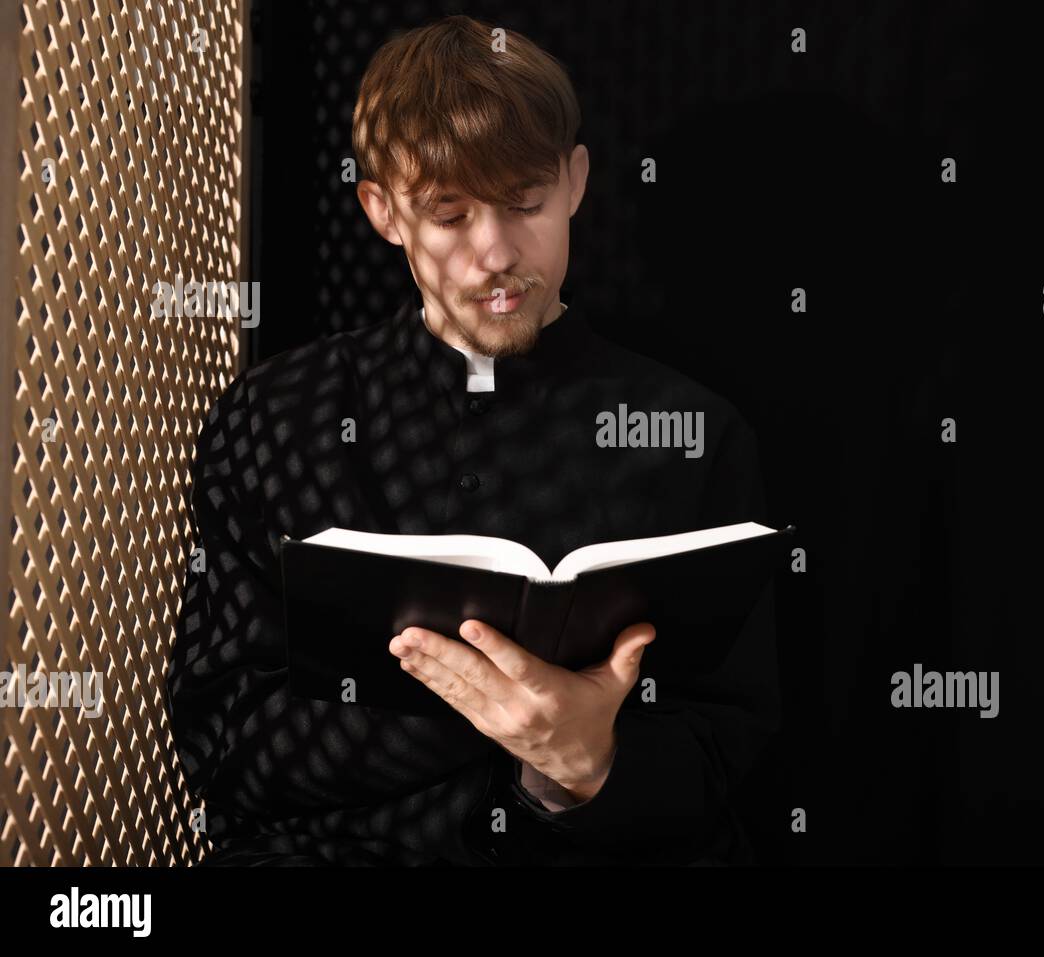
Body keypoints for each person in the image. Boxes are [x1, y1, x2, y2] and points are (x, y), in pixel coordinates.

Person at [165, 14, 780, 866]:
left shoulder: (694, 434)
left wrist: (583, 764)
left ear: (574, 183)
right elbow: (224, 738)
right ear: (382, 211)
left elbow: (728, 748)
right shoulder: (277, 416)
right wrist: (500, 719)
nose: (494, 253)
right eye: (447, 214)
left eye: (525, 201)